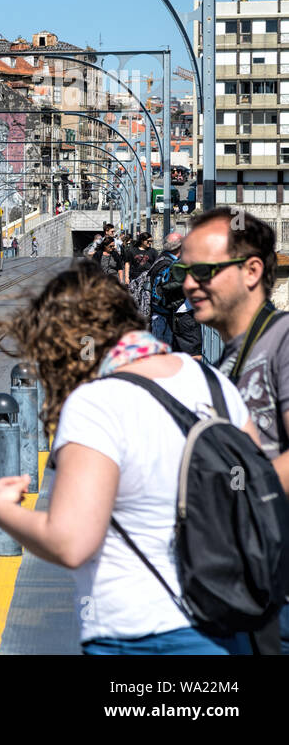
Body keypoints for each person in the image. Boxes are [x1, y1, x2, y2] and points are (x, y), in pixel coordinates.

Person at [0, 261, 255, 654]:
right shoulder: (214, 384)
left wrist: (4, 511)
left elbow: (72, 542)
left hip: (139, 634)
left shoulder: (97, 403)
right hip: (228, 624)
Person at [181, 207, 289, 650]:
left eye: (204, 271)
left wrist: (227, 508)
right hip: (245, 588)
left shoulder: (282, 341)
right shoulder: (226, 359)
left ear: (252, 271)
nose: (189, 284)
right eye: (186, 272)